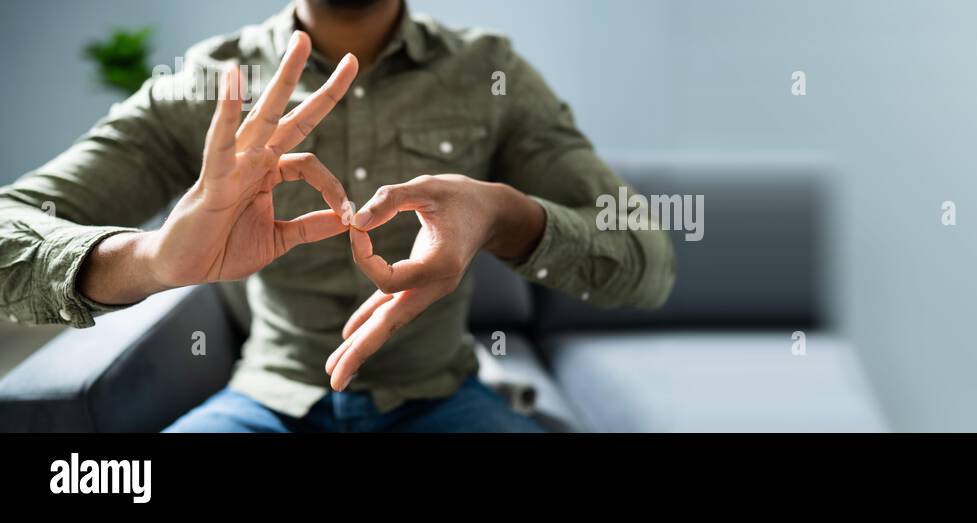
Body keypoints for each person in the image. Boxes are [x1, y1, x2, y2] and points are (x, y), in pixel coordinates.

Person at [0, 0, 674, 432]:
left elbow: (647, 263)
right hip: (267, 398)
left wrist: (503, 214)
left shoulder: (488, 71)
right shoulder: (207, 83)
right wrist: (149, 261)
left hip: (443, 397)